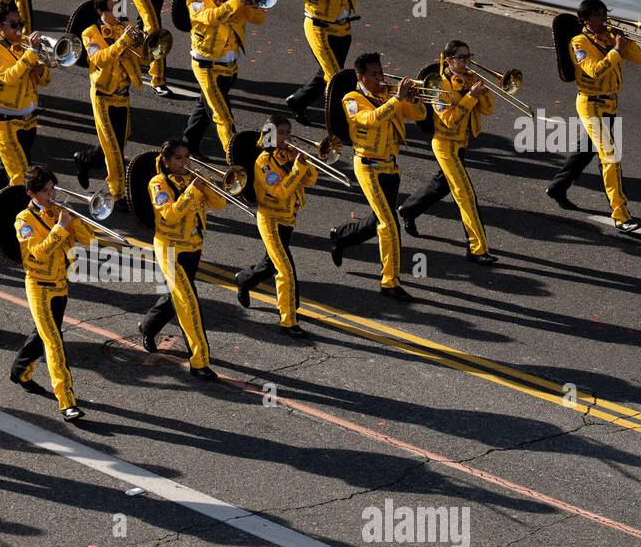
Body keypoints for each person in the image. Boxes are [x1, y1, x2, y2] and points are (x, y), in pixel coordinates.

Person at [328, 52, 426, 301]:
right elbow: (370, 120)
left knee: (376, 221)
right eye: (374, 74)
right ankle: (389, 282)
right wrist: (397, 100)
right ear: (361, 76)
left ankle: (341, 236)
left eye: (381, 72)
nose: (380, 77)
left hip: (390, 167)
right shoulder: (351, 99)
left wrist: (413, 100)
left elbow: (419, 115)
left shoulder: (386, 94)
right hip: (369, 166)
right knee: (389, 224)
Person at [546, 0, 641, 233]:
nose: (604, 18)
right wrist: (615, 51)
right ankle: (621, 215)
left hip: (610, 105)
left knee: (585, 151)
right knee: (610, 157)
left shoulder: (610, 36)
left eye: (605, 13)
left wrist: (626, 43)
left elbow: (640, 59)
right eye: (599, 15)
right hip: (591, 104)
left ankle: (558, 187)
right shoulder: (578, 43)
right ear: (586, 19)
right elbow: (594, 71)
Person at [398, 40, 497, 263]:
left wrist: (483, 91)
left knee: (441, 185)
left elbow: (488, 110)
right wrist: (471, 96)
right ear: (449, 60)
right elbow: (450, 120)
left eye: (469, 56)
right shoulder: (437, 85)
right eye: (462, 58)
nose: (467, 62)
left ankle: (409, 210)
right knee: (466, 195)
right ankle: (477, 249)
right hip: (445, 146)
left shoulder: (469, 79)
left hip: (462, 144)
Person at [139, 138, 225, 379]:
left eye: (187, 156)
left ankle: (148, 326)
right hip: (170, 249)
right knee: (189, 303)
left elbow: (220, 203)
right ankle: (199, 362)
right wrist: (192, 190)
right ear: (166, 161)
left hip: (194, 248)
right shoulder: (158, 183)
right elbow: (170, 215)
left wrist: (208, 186)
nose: (185, 162)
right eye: (179, 158)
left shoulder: (193, 179)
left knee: (175, 296)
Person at [10, 165, 89, 422]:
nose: (51, 194)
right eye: (45, 191)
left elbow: (88, 240)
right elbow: (40, 252)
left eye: (52, 188)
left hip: (60, 285)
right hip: (39, 287)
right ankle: (66, 401)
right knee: (54, 342)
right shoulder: (23, 220)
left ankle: (20, 370)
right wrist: (61, 228)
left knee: (43, 334)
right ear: (31, 193)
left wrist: (75, 219)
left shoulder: (58, 212)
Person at [235, 115, 317, 337]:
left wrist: (304, 162)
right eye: (280, 133)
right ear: (269, 134)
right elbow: (279, 190)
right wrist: (297, 170)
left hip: (288, 219)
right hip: (270, 219)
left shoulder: (288, 155)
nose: (285, 137)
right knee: (286, 269)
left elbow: (310, 180)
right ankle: (288, 321)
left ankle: (244, 279)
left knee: (270, 265)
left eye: (287, 132)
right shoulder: (263, 161)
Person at [286, 0, 371, 125]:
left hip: (343, 27)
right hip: (319, 27)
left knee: (327, 73)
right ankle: (339, 122)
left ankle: (297, 101)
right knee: (335, 77)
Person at [0, 1, 49, 218]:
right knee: (21, 175)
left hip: (28, 118)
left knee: (8, 165)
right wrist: (31, 55)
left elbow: (45, 81)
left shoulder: (24, 46)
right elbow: (9, 77)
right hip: (5, 120)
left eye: (21, 24)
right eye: (13, 25)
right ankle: (20, 218)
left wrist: (40, 64)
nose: (20, 30)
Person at [183, 0, 265, 158]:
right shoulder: (196, 1)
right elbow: (212, 18)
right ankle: (235, 159)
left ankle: (188, 144)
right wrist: (236, 0)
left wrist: (251, 2)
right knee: (223, 116)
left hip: (230, 67)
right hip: (207, 67)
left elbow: (259, 19)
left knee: (205, 107)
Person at [74, 0, 141, 205]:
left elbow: (141, 60)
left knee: (119, 143)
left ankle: (86, 159)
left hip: (123, 95)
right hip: (104, 96)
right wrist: (123, 40)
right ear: (101, 10)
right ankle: (117, 194)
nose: (119, 12)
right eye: (115, 7)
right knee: (113, 149)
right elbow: (100, 58)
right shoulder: (90, 33)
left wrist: (142, 44)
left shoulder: (124, 28)